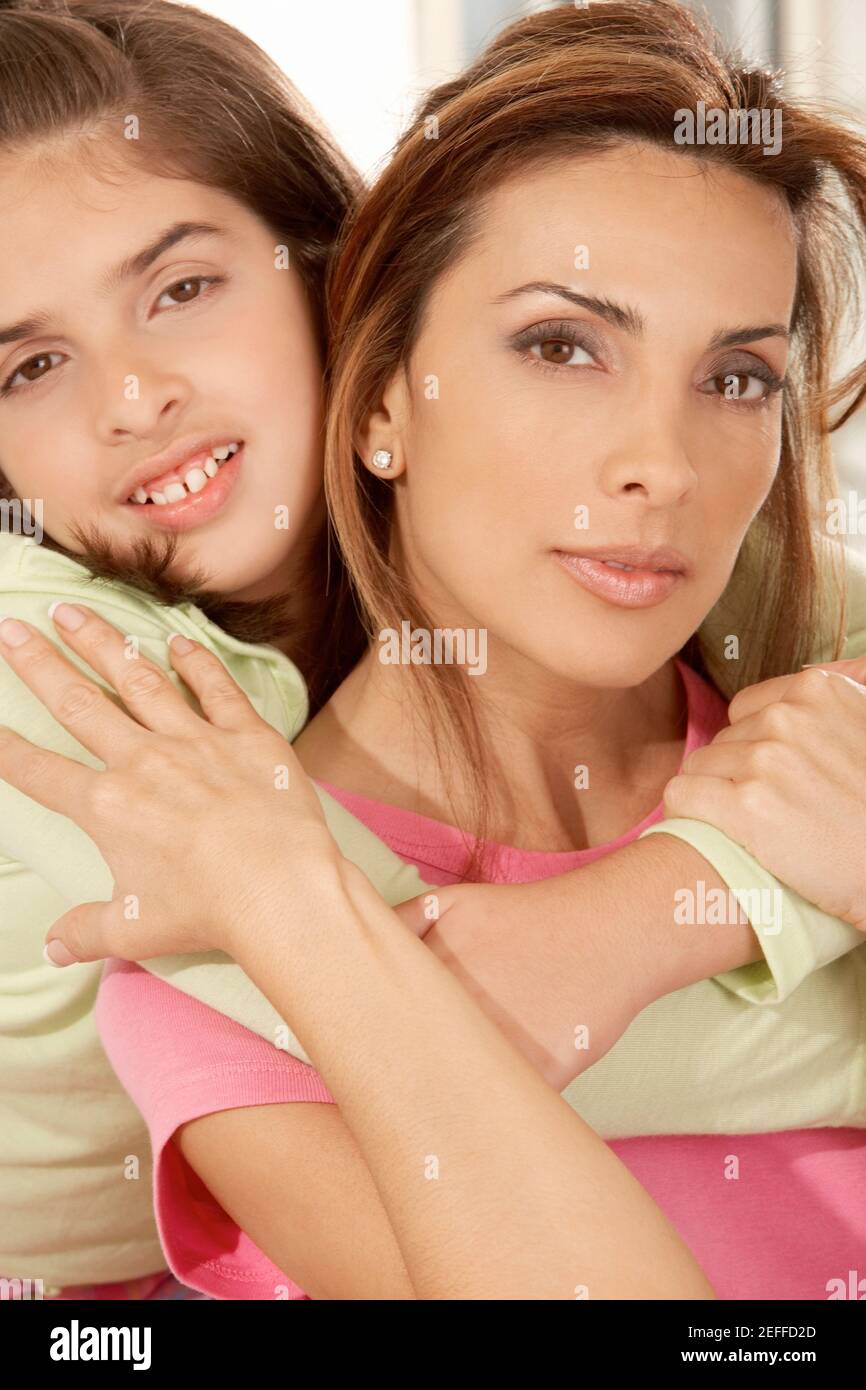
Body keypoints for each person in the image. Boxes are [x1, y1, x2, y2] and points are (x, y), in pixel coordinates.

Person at [4, 0, 865, 1300]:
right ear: (382, 387)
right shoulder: (155, 824)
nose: (659, 465)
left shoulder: (791, 666)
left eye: (735, 376)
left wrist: (650, 915)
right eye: (559, 344)